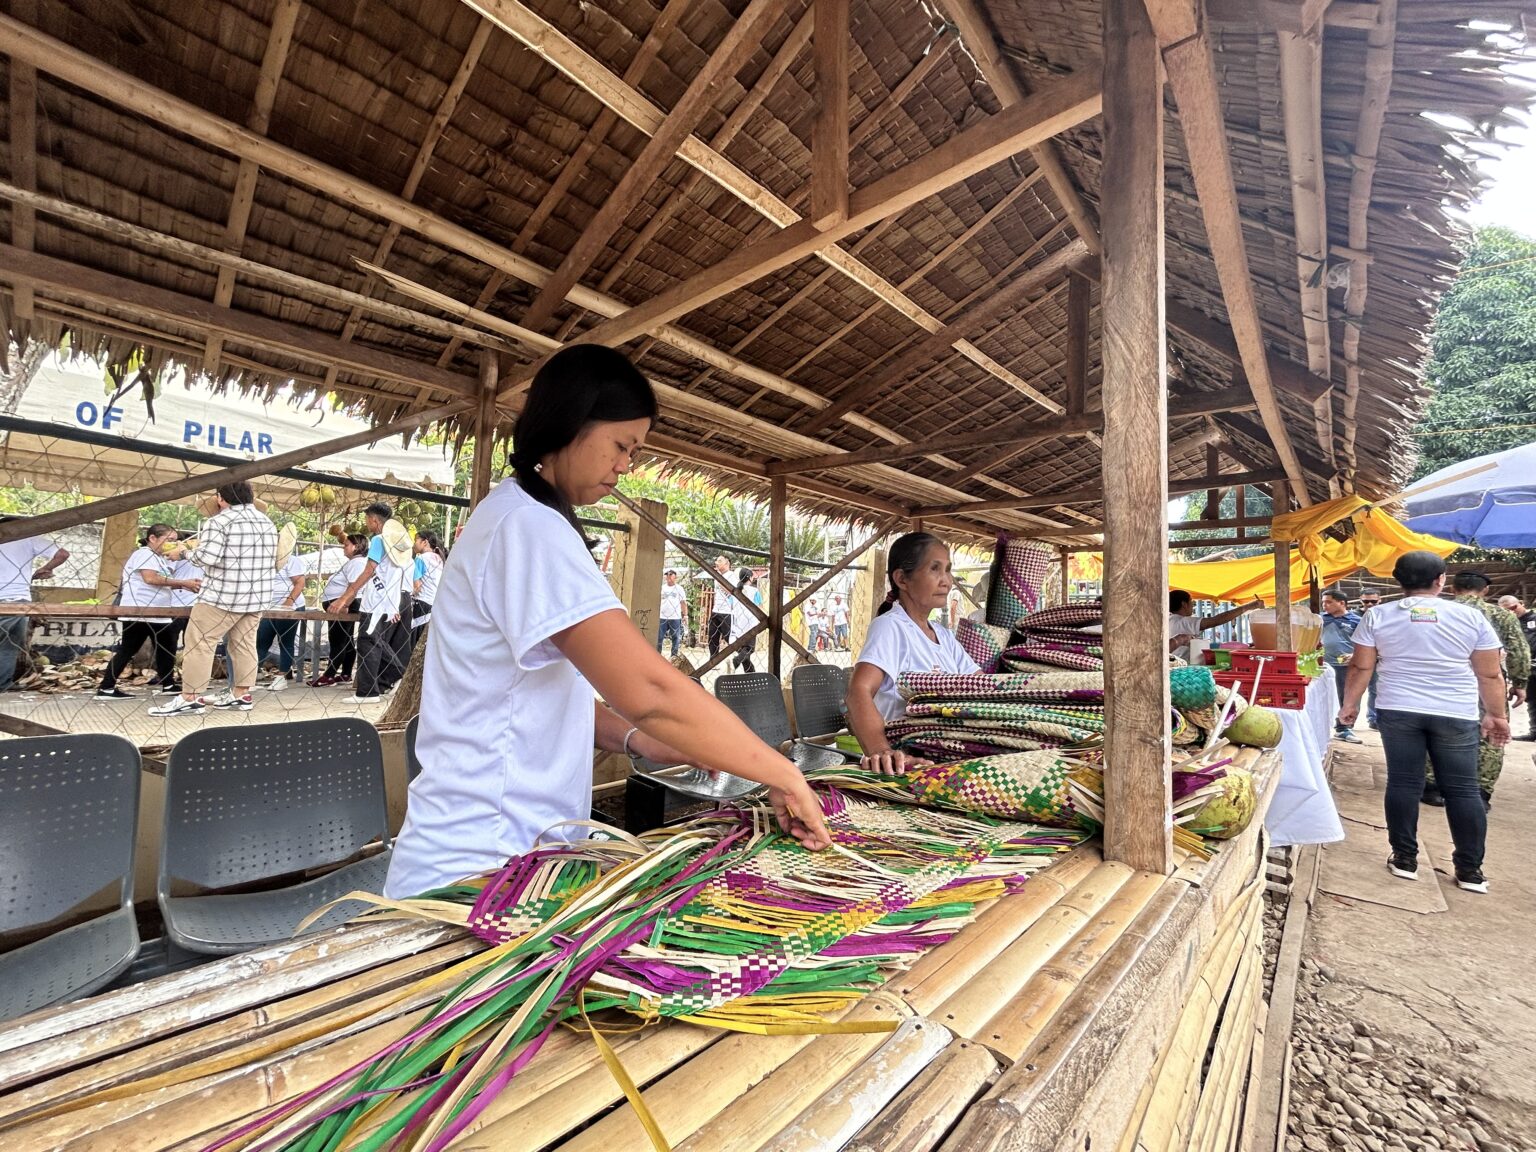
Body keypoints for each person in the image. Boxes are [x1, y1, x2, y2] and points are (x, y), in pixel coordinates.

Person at [383, 344, 829, 897]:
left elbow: (537, 698)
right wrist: (781, 773)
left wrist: (642, 741)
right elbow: (649, 689)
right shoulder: (530, 528)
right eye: (621, 445)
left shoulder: (518, 515)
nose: (625, 466)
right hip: (480, 865)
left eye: (634, 452)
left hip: (518, 856)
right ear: (570, 422)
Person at [1338, 551, 1507, 894]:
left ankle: (1404, 859)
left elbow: (1360, 667)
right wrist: (1497, 715)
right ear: (1441, 580)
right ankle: (1470, 870)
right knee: (1462, 788)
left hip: (1398, 708)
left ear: (1398, 581)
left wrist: (1350, 706)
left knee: (1403, 782)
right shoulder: (1469, 618)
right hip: (1456, 712)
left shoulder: (1377, 616)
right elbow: (1489, 673)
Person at [846, 532, 981, 775]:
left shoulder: (945, 636)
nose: (947, 581)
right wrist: (881, 751)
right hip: (908, 761)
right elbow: (859, 692)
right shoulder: (891, 626)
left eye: (948, 570)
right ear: (902, 579)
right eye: (935, 569)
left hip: (945, 757)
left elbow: (981, 685)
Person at [151, 481, 276, 715]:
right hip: (256, 597)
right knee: (244, 645)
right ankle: (241, 695)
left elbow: (208, 557)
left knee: (199, 643)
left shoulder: (219, 521)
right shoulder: (266, 522)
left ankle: (190, 697)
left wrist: (183, 553)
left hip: (222, 596)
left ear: (220, 498)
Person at [1422, 572, 1530, 809]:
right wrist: (1520, 683)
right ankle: (1480, 792)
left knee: (1437, 730)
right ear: (1486, 591)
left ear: (1452, 588)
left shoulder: (1433, 612)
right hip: (1489, 683)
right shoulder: (1500, 614)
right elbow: (1519, 650)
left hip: (1443, 683)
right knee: (1491, 734)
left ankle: (1432, 787)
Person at [95, 524, 199, 699]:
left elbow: (161, 584)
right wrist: (183, 583)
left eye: (175, 541)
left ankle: (168, 684)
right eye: (169, 540)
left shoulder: (161, 558)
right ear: (153, 538)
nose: (173, 544)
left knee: (167, 647)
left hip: (159, 611)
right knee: (129, 648)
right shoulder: (144, 554)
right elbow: (150, 579)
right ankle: (106, 687)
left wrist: (182, 586)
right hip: (140, 610)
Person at [327, 503, 413, 704]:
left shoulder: (379, 540)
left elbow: (369, 571)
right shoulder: (401, 543)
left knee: (367, 642)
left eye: (367, 519)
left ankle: (369, 692)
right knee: (375, 640)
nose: (367, 523)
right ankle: (397, 675)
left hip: (376, 601)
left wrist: (345, 597)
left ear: (374, 520)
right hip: (392, 599)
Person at [0, 519, 69, 693]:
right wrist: (44, 569)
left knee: (9, 644)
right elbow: (62, 554)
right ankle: (2, 683)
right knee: (9, 645)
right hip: (18, 602)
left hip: (11, 600)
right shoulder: (28, 538)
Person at [311, 533, 366, 686]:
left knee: (338, 639)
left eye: (347, 545)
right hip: (342, 603)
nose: (344, 547)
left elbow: (354, 586)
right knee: (345, 639)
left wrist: (344, 604)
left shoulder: (358, 563)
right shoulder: (354, 562)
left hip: (344, 604)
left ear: (356, 547)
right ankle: (346, 673)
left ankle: (329, 675)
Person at [254, 541, 307, 692]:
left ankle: (281, 677)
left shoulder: (292, 560)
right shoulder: (264, 560)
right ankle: (251, 674)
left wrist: (288, 604)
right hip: (269, 607)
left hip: (289, 606)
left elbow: (300, 583)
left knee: (285, 641)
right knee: (262, 639)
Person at [1168, 590, 1265, 660]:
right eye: (1191, 602)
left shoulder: (1168, 621)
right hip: (1185, 666)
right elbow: (1216, 620)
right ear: (1184, 604)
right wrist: (1249, 607)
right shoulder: (1183, 621)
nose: (1193, 606)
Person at [1319, 589, 1363, 743]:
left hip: (1346, 665)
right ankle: (1325, 726)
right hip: (1322, 665)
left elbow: (1365, 643)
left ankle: (1344, 728)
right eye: (1323, 602)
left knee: (1347, 696)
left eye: (1329, 602)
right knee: (1323, 696)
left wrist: (1355, 656)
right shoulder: (1320, 619)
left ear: (1342, 603)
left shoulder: (1356, 621)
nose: (1325, 605)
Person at [1497, 594, 1536, 739]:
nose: (1512, 612)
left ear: (1521, 603)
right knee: (1531, 699)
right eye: (1507, 611)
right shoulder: (1506, 624)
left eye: (1514, 608)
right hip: (1526, 667)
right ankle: (1534, 731)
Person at [411, 529, 447, 648]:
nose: (414, 543)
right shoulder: (439, 559)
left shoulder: (420, 559)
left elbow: (417, 586)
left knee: (415, 641)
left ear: (425, 542)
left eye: (416, 540)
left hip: (421, 602)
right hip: (434, 604)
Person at [1357, 590, 1382, 727]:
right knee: (1355, 689)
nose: (1370, 604)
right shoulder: (1354, 617)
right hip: (1357, 659)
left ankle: (1373, 719)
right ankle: (1347, 721)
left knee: (1375, 690)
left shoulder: (1384, 616)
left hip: (1377, 659)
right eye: (1366, 601)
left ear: (1380, 600)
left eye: (1373, 601)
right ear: (1360, 601)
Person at [728, 567, 760, 673]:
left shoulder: (735, 591)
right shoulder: (755, 591)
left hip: (737, 624)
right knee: (749, 648)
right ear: (750, 578)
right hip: (751, 623)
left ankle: (750, 673)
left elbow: (731, 605)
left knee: (743, 649)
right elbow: (759, 607)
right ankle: (735, 662)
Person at [707, 555, 734, 658]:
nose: (716, 562)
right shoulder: (717, 576)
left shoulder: (731, 576)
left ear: (727, 563)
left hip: (727, 612)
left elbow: (731, 591)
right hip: (716, 610)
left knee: (728, 637)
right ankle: (713, 659)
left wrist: (719, 579)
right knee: (712, 636)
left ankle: (741, 656)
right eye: (716, 560)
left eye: (719, 561)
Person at [657, 567, 687, 658]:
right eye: (667, 574)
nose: (668, 576)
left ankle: (673, 656)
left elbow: (683, 603)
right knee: (659, 637)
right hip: (662, 616)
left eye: (671, 574)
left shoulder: (679, 589)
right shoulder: (661, 588)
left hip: (675, 617)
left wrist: (685, 615)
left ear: (675, 577)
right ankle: (657, 655)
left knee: (675, 638)